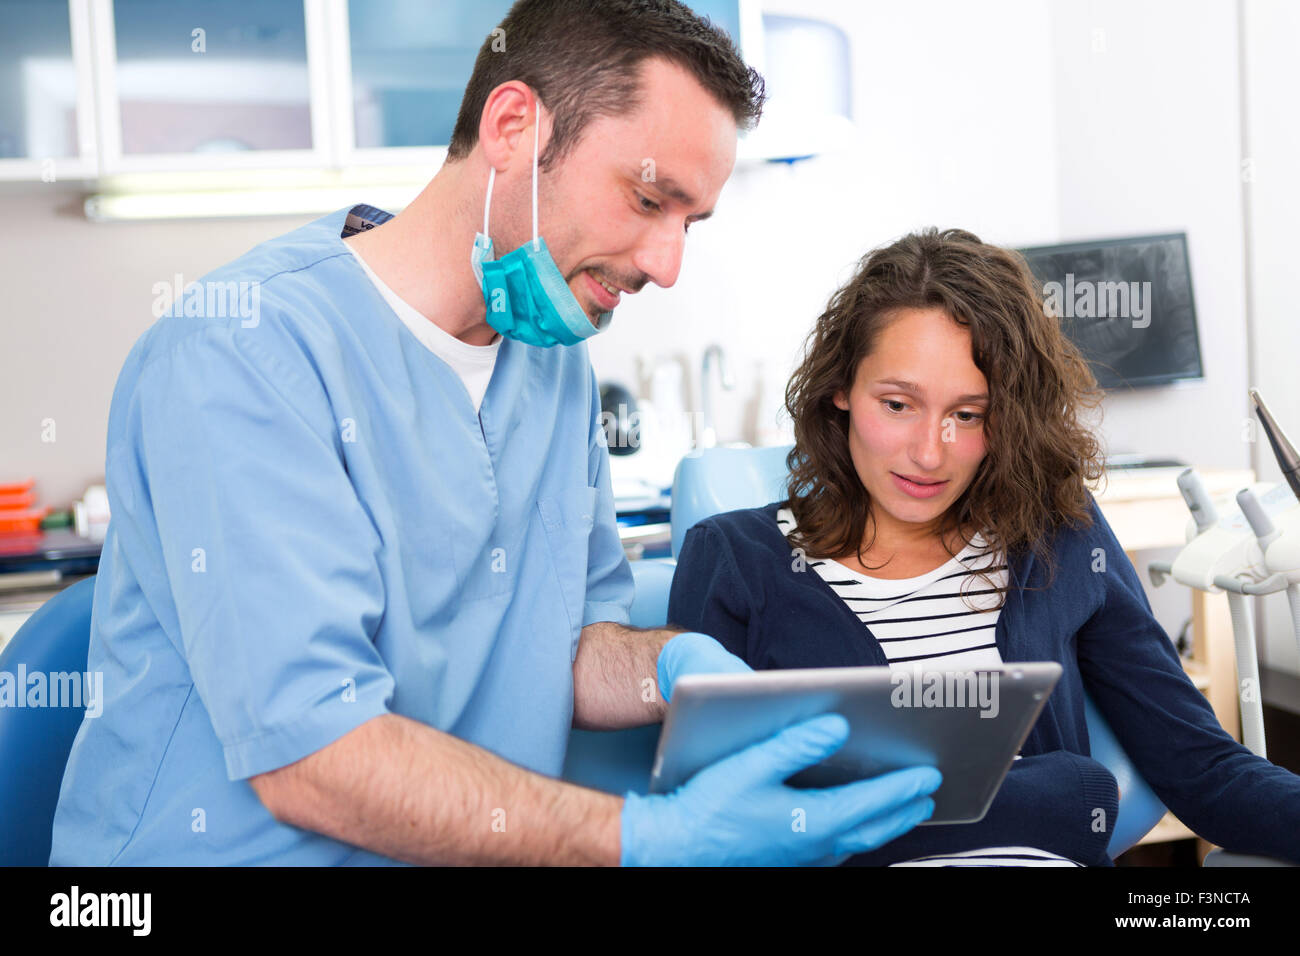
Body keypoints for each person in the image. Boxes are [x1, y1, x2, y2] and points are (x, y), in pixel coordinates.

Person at [49, 0, 940, 867]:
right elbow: (309, 755)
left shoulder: (551, 366)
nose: (668, 266)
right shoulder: (243, 349)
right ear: (514, 127)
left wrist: (672, 670)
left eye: (689, 224)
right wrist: (642, 838)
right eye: (647, 198)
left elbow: (563, 649)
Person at [667, 227, 1300, 867]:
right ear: (842, 389)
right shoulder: (734, 561)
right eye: (897, 403)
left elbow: (1203, 767)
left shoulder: (1058, 535)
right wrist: (1061, 792)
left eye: (968, 414)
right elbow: (715, 830)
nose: (928, 451)